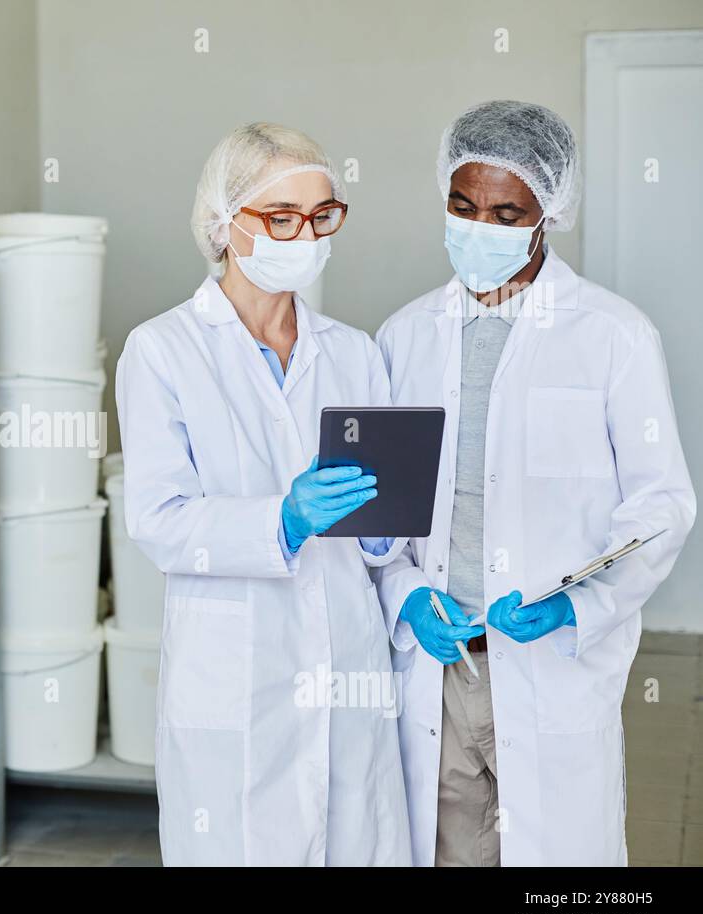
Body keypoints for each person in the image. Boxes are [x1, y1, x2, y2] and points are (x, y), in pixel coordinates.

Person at [372, 100, 696, 866]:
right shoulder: (401, 337)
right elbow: (379, 520)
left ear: (548, 213)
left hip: (553, 664)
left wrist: (573, 605)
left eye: (505, 211)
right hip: (440, 669)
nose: (479, 226)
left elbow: (662, 508)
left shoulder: (612, 336)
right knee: (445, 850)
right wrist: (405, 597)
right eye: (462, 205)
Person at [116, 123, 411, 866]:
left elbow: (384, 537)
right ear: (224, 223)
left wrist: (380, 529)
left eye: (320, 216)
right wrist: (281, 519)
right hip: (236, 672)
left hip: (347, 656)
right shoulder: (163, 351)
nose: (304, 235)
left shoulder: (352, 350)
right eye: (281, 218)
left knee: (355, 836)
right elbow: (157, 520)